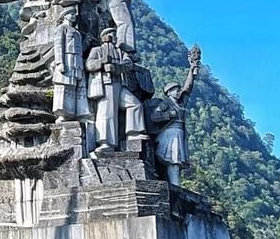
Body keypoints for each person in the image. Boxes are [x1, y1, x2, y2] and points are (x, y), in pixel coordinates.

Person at [85, 28, 147, 151]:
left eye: (115, 35)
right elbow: (89, 65)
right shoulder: (97, 50)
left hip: (120, 84)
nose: (114, 37)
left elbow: (128, 64)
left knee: (135, 104)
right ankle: (105, 143)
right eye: (112, 35)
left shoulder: (120, 52)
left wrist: (116, 67)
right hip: (106, 84)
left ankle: (133, 133)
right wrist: (102, 62)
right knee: (107, 113)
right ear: (105, 36)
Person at [150, 45, 201, 185]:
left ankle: (175, 183)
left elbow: (188, 88)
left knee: (176, 161)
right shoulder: (165, 103)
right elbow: (154, 117)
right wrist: (169, 115)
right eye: (176, 90)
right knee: (171, 159)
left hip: (179, 133)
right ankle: (173, 183)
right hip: (169, 133)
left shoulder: (181, 103)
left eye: (178, 89)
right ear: (169, 92)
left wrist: (192, 70)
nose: (179, 92)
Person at [52, 6, 90, 122]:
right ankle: (62, 114)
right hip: (66, 59)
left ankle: (72, 113)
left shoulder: (77, 32)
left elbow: (80, 49)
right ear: (65, 16)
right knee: (64, 86)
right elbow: (58, 46)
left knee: (74, 88)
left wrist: (87, 42)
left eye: (74, 14)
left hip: (76, 61)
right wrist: (59, 62)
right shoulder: (61, 28)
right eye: (71, 14)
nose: (74, 16)